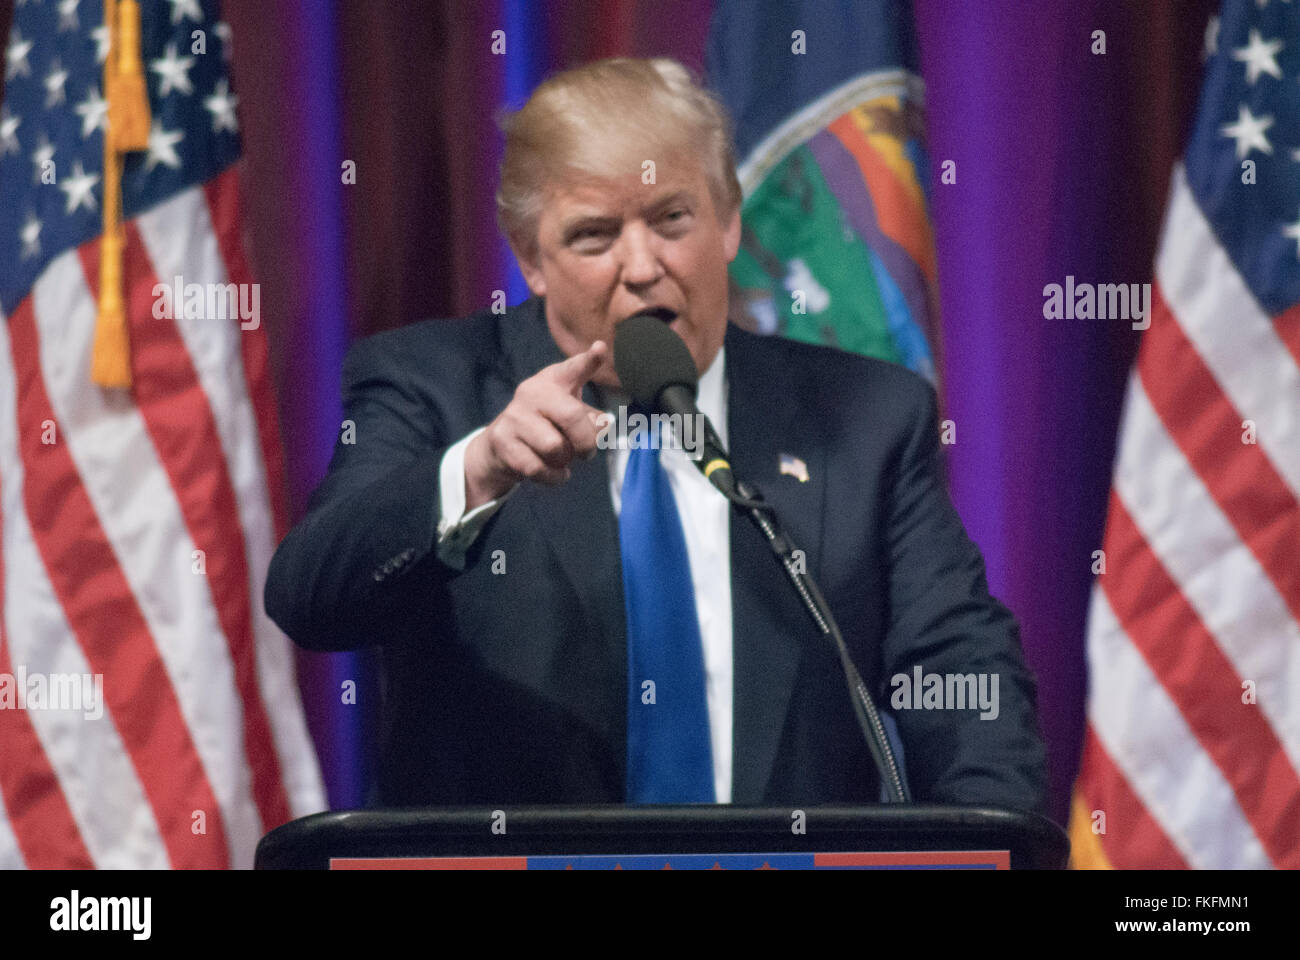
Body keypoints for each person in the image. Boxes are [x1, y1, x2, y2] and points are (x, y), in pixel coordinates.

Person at [265, 57, 1048, 813]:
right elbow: (312, 596)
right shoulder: (432, 383)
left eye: (672, 218)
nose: (643, 266)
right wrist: (480, 466)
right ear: (530, 261)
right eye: (594, 236)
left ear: (732, 221)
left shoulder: (867, 417)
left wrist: (986, 841)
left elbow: (959, 670)